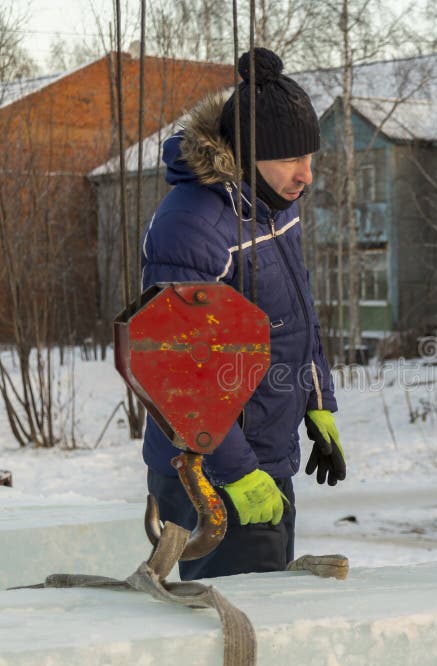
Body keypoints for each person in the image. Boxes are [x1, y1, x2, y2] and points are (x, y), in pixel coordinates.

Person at [140, 48, 346, 579]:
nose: (305, 174)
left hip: (264, 456)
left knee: (268, 621)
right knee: (234, 635)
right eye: (289, 159)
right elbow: (177, 370)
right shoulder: (192, 228)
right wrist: (237, 473)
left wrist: (317, 399)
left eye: (309, 156)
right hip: (210, 473)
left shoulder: (274, 204)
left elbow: (296, 317)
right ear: (246, 153)